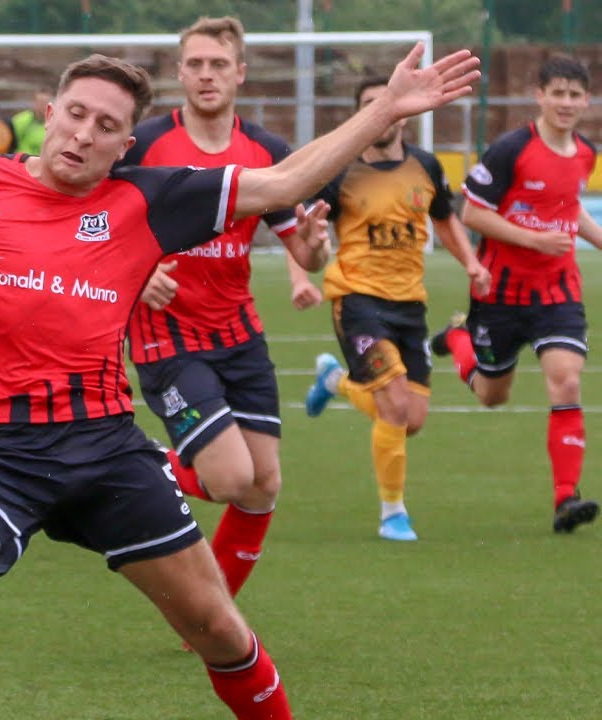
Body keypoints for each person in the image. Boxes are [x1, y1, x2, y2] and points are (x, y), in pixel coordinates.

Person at [0, 44, 479, 720]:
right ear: (49, 113)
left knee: (218, 629)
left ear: (125, 144)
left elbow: (286, 181)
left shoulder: (148, 199)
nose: (83, 134)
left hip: (106, 450)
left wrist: (383, 110)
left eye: (106, 125)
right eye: (74, 114)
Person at [121, 16, 330, 605]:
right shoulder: (144, 147)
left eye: (218, 64)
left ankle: (213, 619)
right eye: (196, 64)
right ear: (178, 72)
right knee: (231, 477)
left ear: (240, 73)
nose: (206, 75)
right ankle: (127, 463)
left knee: (262, 486)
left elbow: (305, 251)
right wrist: (138, 276)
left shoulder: (266, 151)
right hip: (168, 337)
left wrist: (314, 246)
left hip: (239, 333)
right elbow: (96, 225)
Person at [299, 75, 492, 541]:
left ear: (403, 112)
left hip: (410, 304)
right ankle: (392, 514)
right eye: (370, 104)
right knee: (396, 405)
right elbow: (304, 229)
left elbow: (444, 218)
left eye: (387, 103)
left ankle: (334, 382)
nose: (382, 111)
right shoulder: (339, 170)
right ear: (361, 116)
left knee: (412, 420)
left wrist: (470, 262)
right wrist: (305, 249)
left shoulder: (425, 166)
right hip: (358, 300)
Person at [431, 53, 600, 534]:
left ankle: (566, 499)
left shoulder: (586, 153)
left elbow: (570, 210)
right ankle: (457, 340)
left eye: (575, 94)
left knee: (566, 381)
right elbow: (473, 215)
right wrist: (534, 239)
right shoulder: (511, 150)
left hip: (557, 291)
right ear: (540, 96)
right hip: (499, 296)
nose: (566, 103)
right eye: (557, 93)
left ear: (586, 101)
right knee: (491, 394)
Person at [10, 85, 53, 155]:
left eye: (45, 103)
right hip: (21, 162)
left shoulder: (53, 126)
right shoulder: (20, 120)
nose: (42, 106)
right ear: (34, 102)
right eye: (40, 102)